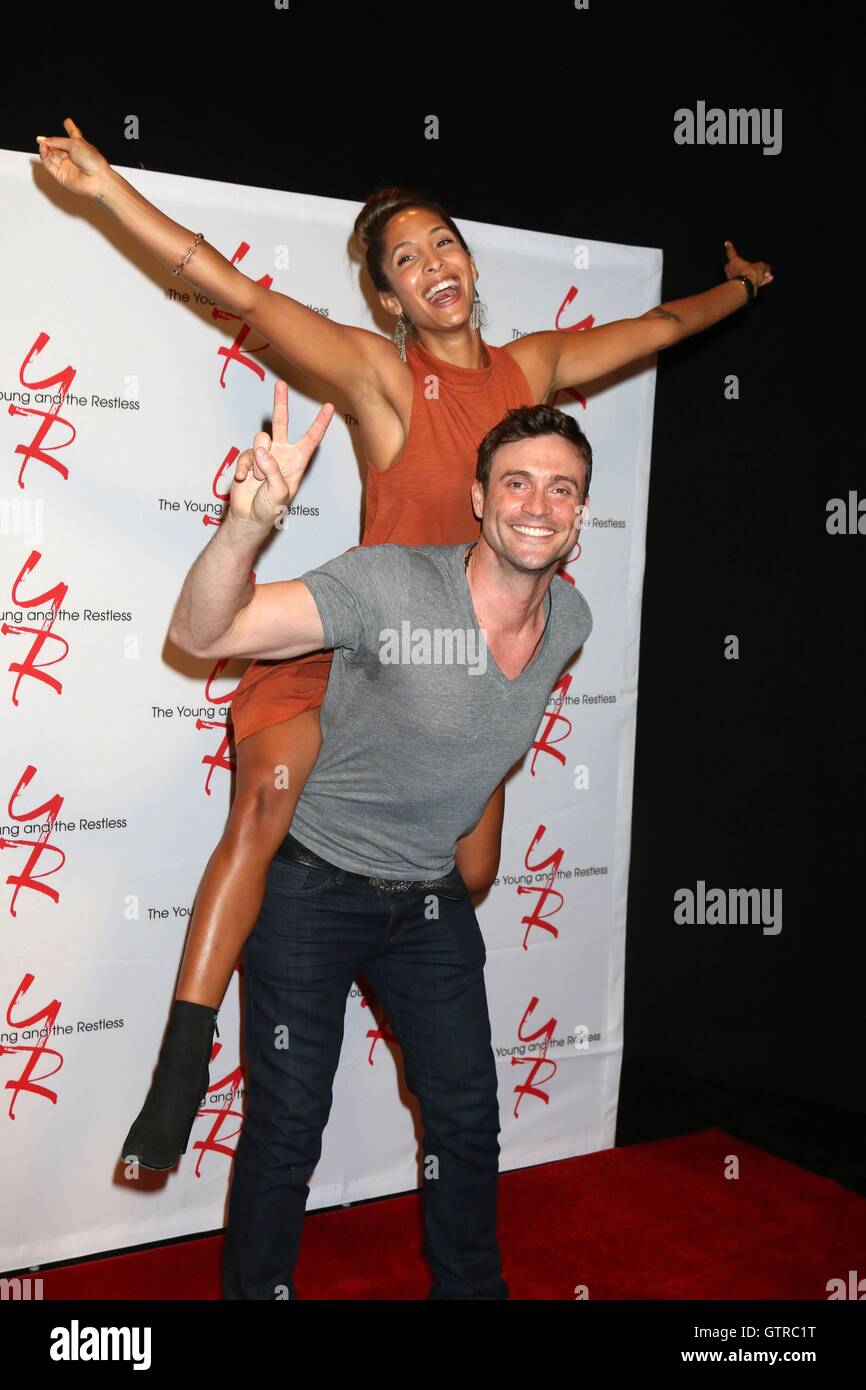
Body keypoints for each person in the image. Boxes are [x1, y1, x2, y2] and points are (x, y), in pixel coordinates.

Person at [35, 118, 773, 1169]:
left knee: (470, 872)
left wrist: (742, 291)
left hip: (461, 686)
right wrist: (106, 193)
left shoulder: (531, 366)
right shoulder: (380, 378)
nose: (432, 265)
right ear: (386, 296)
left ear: (467, 263)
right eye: (404, 259)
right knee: (264, 799)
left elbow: (658, 326)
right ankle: (182, 1063)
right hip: (356, 648)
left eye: (442, 244)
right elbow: (234, 291)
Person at [166, 378, 595, 1299]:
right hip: (311, 889)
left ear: (581, 515)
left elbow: (483, 736)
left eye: (560, 488)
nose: (537, 504)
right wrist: (246, 526)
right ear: (479, 500)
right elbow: (206, 630)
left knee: (468, 1119)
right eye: (516, 483)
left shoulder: (573, 623)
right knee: (288, 1128)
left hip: (427, 897)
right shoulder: (389, 583)